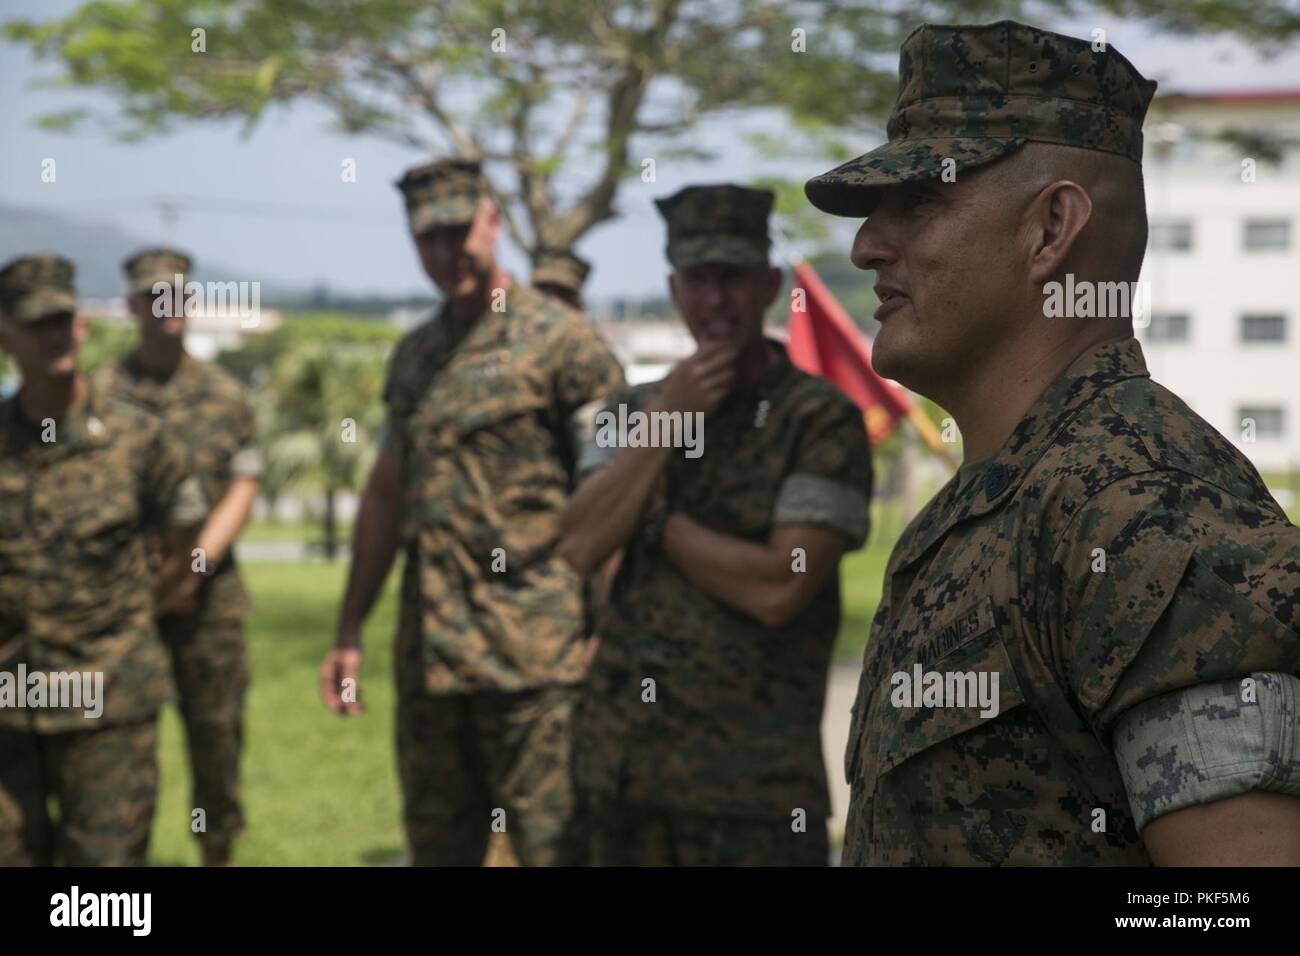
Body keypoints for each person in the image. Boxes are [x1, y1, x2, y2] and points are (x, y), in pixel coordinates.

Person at [803, 19, 1300, 865]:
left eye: (919, 200)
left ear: (1051, 229)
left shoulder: (1147, 503)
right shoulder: (988, 503)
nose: (866, 245)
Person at [319, 158, 624, 866]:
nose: (446, 252)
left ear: (492, 223)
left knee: (557, 850)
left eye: (459, 231)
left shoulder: (565, 345)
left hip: (538, 663)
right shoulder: (415, 356)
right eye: (427, 239)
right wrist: (348, 628)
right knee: (439, 852)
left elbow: (614, 494)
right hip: (431, 662)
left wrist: (611, 629)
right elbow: (387, 494)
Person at [558, 184, 873, 865]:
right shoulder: (636, 407)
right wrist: (667, 421)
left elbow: (776, 589)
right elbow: (581, 543)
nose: (715, 301)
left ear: (767, 284)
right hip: (617, 780)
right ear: (674, 289)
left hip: (750, 797)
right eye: (697, 280)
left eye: (731, 279)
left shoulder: (818, 420)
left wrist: (657, 522)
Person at [0, 253, 206, 865]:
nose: (54, 336)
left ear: (83, 326)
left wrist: (139, 613)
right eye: (37, 323)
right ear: (4, 334)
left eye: (63, 320)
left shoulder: (137, 439)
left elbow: (184, 537)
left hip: (108, 702)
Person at [98, 247, 263, 866]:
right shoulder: (103, 396)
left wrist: (191, 569)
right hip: (122, 604)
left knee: (216, 743)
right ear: (133, 305)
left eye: (176, 296)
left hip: (209, 601)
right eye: (152, 296)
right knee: (118, 750)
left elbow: (244, 486)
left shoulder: (225, 396)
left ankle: (216, 854)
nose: (166, 308)